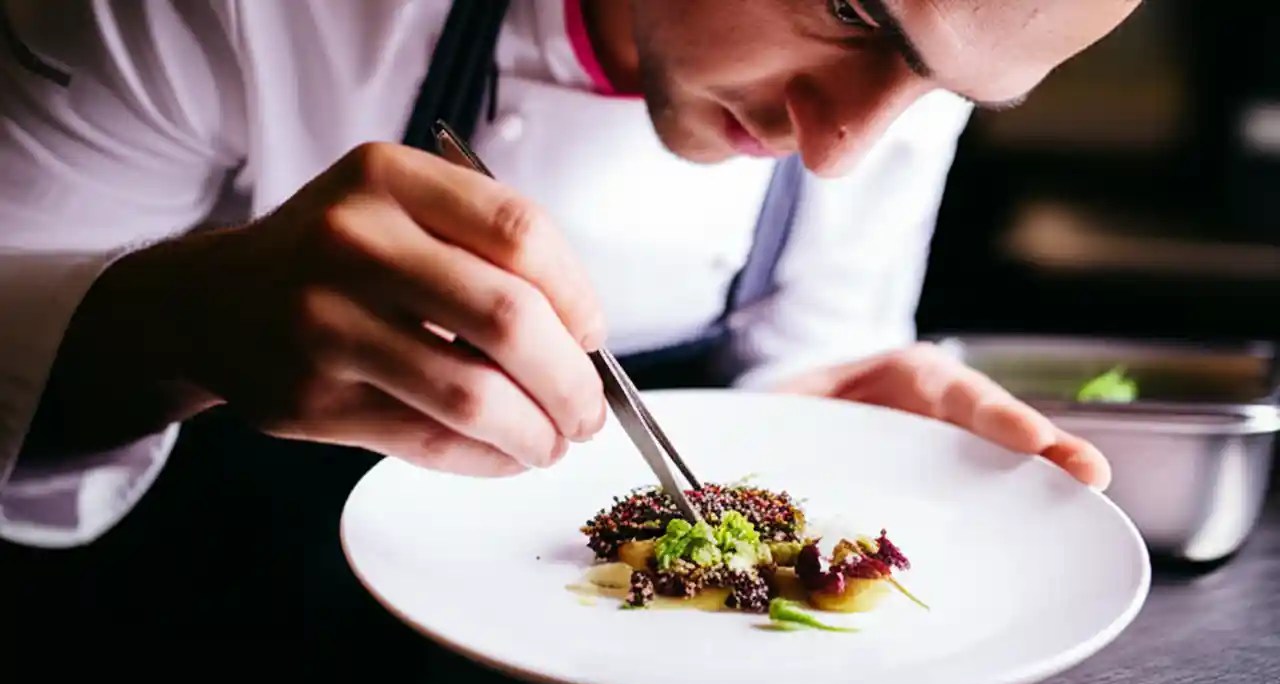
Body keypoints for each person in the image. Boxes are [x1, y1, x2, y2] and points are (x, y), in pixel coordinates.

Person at [0, 0, 1139, 549]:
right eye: (847, 10)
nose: (842, 145)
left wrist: (825, 420)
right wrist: (179, 329)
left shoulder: (885, 111)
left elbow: (804, 355)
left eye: (944, 91)